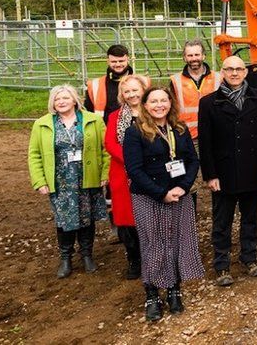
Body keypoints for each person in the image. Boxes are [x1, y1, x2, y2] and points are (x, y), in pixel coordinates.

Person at [122, 86, 203, 322]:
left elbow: (192, 160)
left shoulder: (179, 128)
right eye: (154, 101)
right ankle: (152, 294)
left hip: (179, 195)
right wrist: (161, 193)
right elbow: (134, 170)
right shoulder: (135, 132)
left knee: (177, 241)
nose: (159, 105)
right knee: (154, 244)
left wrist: (184, 187)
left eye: (164, 101)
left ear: (171, 103)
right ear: (145, 105)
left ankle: (173, 289)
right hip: (149, 197)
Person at [198, 55, 257, 286]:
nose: (234, 73)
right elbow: (205, 142)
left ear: (245, 72)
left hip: (251, 169)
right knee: (223, 221)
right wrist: (210, 174)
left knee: (250, 218)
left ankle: (249, 257)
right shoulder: (210, 103)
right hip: (224, 172)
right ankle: (222, 264)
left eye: (239, 69)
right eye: (229, 69)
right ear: (222, 72)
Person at [28, 84, 109, 278]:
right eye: (57, 99)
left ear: (74, 100)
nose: (61, 102)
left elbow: (105, 150)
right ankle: (66, 258)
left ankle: (87, 255)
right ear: (52, 103)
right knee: (64, 219)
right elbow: (34, 154)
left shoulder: (93, 120)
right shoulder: (42, 124)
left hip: (87, 176)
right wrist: (39, 181)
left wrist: (105, 174)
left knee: (87, 217)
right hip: (60, 180)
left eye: (65, 98)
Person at [104, 75, 150, 280]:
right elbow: (110, 143)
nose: (132, 94)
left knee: (149, 214)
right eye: (127, 91)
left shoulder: (153, 111)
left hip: (150, 170)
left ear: (143, 89)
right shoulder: (115, 116)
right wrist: (132, 161)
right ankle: (134, 259)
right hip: (122, 172)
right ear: (122, 95)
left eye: (135, 90)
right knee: (126, 218)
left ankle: (151, 257)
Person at [169, 39, 221, 150]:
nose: (194, 59)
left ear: (203, 56)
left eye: (197, 54)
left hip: (214, 135)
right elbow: (171, 109)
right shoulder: (175, 81)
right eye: (190, 55)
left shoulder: (218, 78)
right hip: (187, 137)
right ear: (184, 57)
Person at [85, 44, 139, 121]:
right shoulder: (95, 85)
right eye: (114, 61)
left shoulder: (141, 83)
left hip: (136, 129)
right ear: (108, 61)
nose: (118, 64)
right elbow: (88, 113)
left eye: (121, 61)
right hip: (105, 130)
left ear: (128, 60)